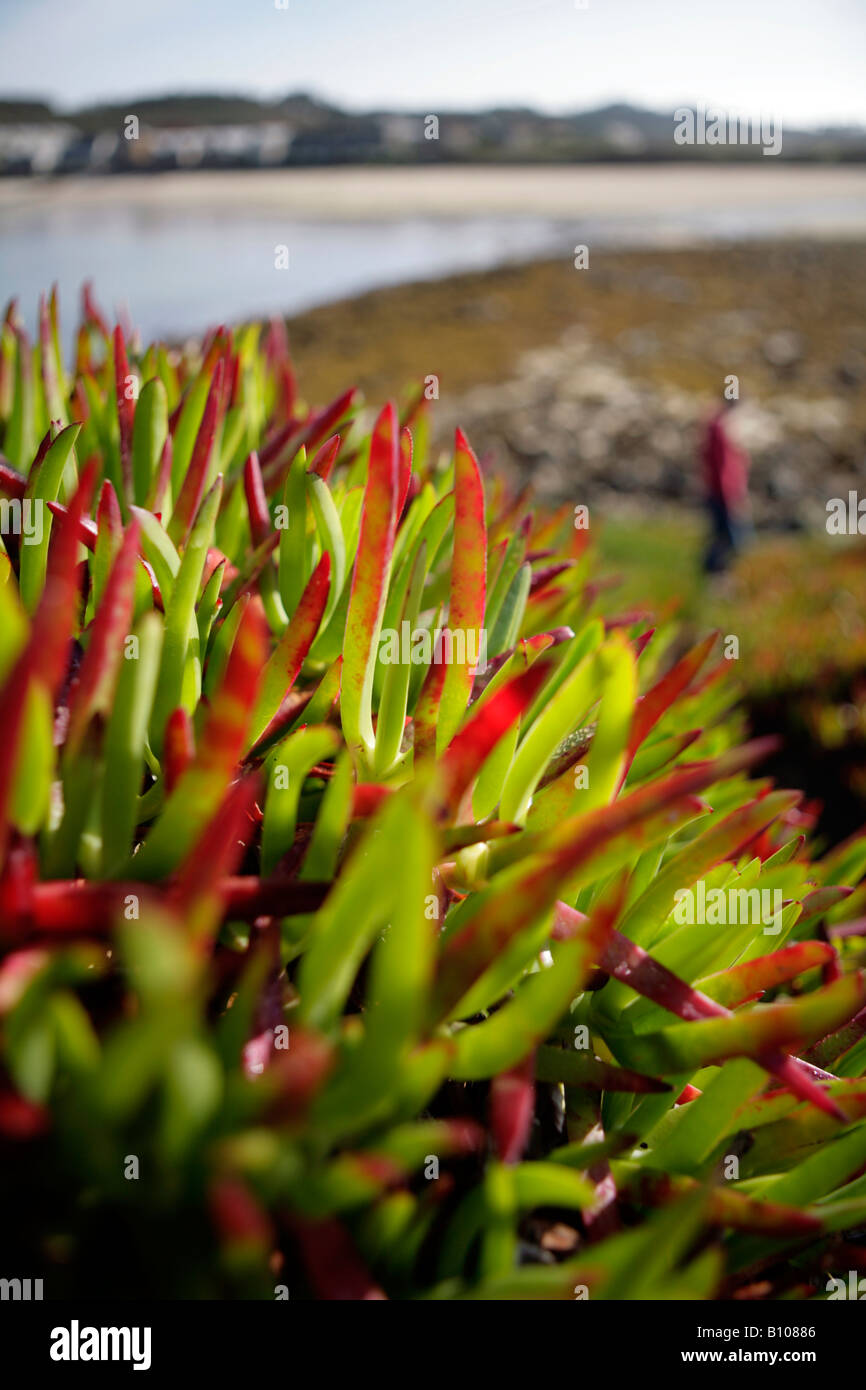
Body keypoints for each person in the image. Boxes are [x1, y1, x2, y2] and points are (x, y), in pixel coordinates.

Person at [701, 396, 750, 573]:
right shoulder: (720, 428)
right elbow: (724, 467)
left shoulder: (719, 426)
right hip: (724, 494)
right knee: (736, 539)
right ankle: (716, 575)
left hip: (722, 492)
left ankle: (716, 576)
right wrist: (731, 496)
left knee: (725, 537)